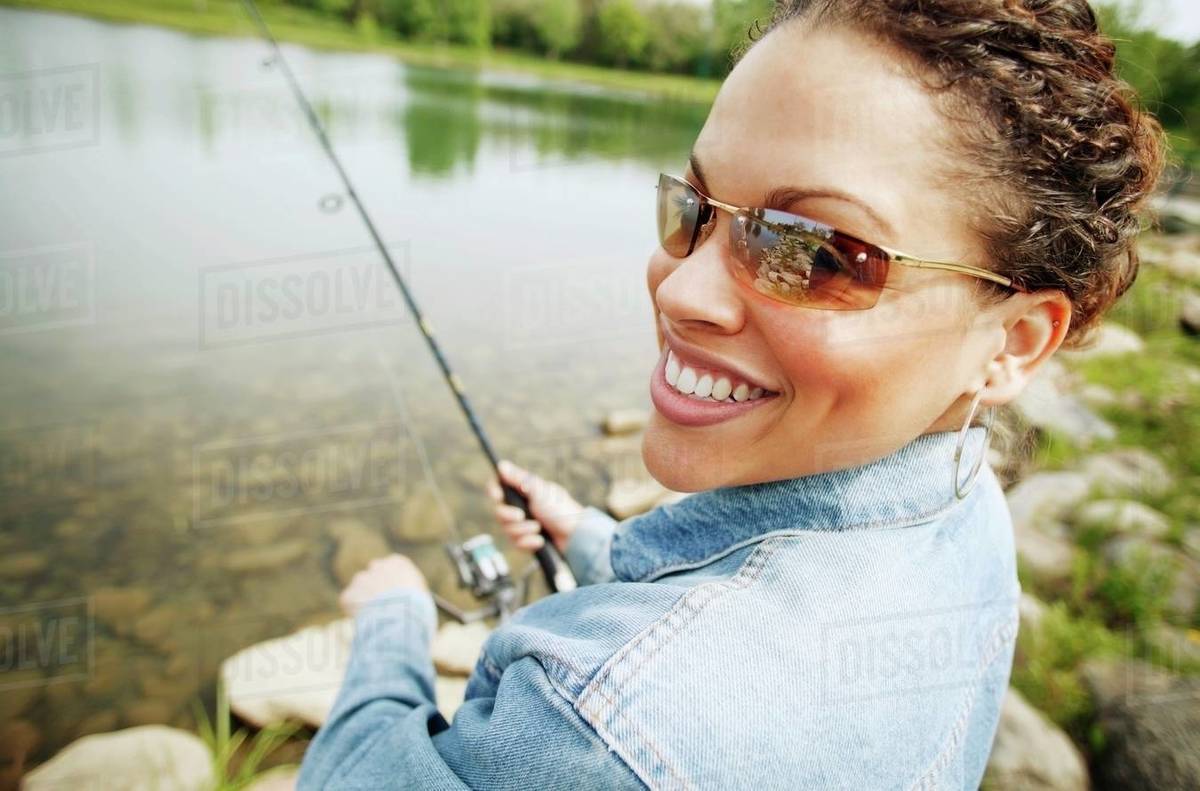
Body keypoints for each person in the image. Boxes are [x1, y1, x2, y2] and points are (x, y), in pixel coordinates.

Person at [298, 0, 1164, 787]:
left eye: (818, 251)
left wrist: (393, 623)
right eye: (696, 207)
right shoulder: (964, 502)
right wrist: (591, 539)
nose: (679, 292)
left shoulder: (595, 731)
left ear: (1013, 341)